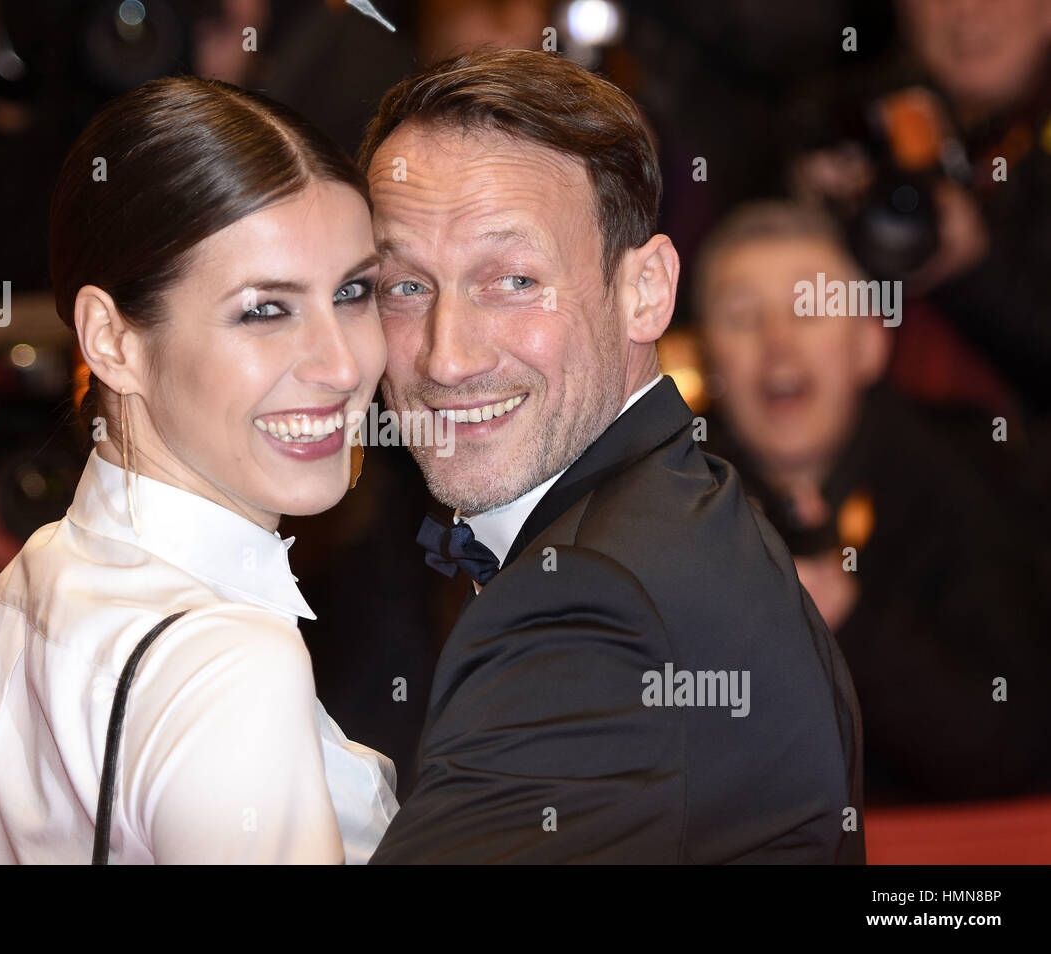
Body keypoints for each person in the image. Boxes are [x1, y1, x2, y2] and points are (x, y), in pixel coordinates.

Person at [359, 49, 864, 863]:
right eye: (405, 287)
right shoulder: (690, 512)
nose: (445, 358)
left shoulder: (593, 609)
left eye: (514, 280)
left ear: (647, 293)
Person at [0, 75, 398, 864]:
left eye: (355, 291)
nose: (342, 363)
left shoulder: (39, 573)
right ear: (111, 338)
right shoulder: (233, 663)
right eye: (266, 309)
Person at [694, 200, 1051, 805]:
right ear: (711, 363)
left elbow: (1011, 753)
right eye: (743, 315)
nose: (777, 343)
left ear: (869, 345)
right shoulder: (666, 498)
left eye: (809, 312)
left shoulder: (970, 479)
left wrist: (845, 618)